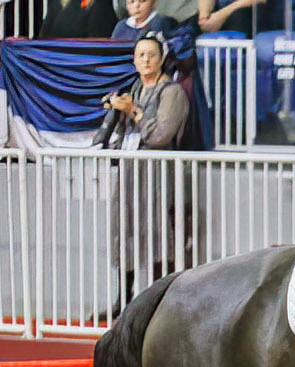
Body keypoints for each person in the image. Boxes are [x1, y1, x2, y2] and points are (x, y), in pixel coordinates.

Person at [95, 31, 190, 310]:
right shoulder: (134, 88)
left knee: (157, 231)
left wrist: (134, 110)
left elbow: (160, 135)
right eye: (140, 55)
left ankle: (157, 302)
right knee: (123, 229)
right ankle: (122, 299)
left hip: (157, 172)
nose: (145, 60)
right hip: (130, 168)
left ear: (162, 59)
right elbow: (119, 134)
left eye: (151, 55)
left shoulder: (172, 91)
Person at [41, 0, 120, 37]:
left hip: (81, 62)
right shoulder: (56, 4)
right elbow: (44, 35)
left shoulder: (100, 5)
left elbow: (96, 43)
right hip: (53, 60)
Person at [113, 0, 180, 40]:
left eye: (142, 1)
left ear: (153, 2)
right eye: (132, 1)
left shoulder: (163, 22)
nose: (136, 5)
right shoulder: (121, 26)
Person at [197, 0, 268, 34]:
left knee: (239, 15)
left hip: (249, 18)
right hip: (217, 17)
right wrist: (204, 17)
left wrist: (221, 15)